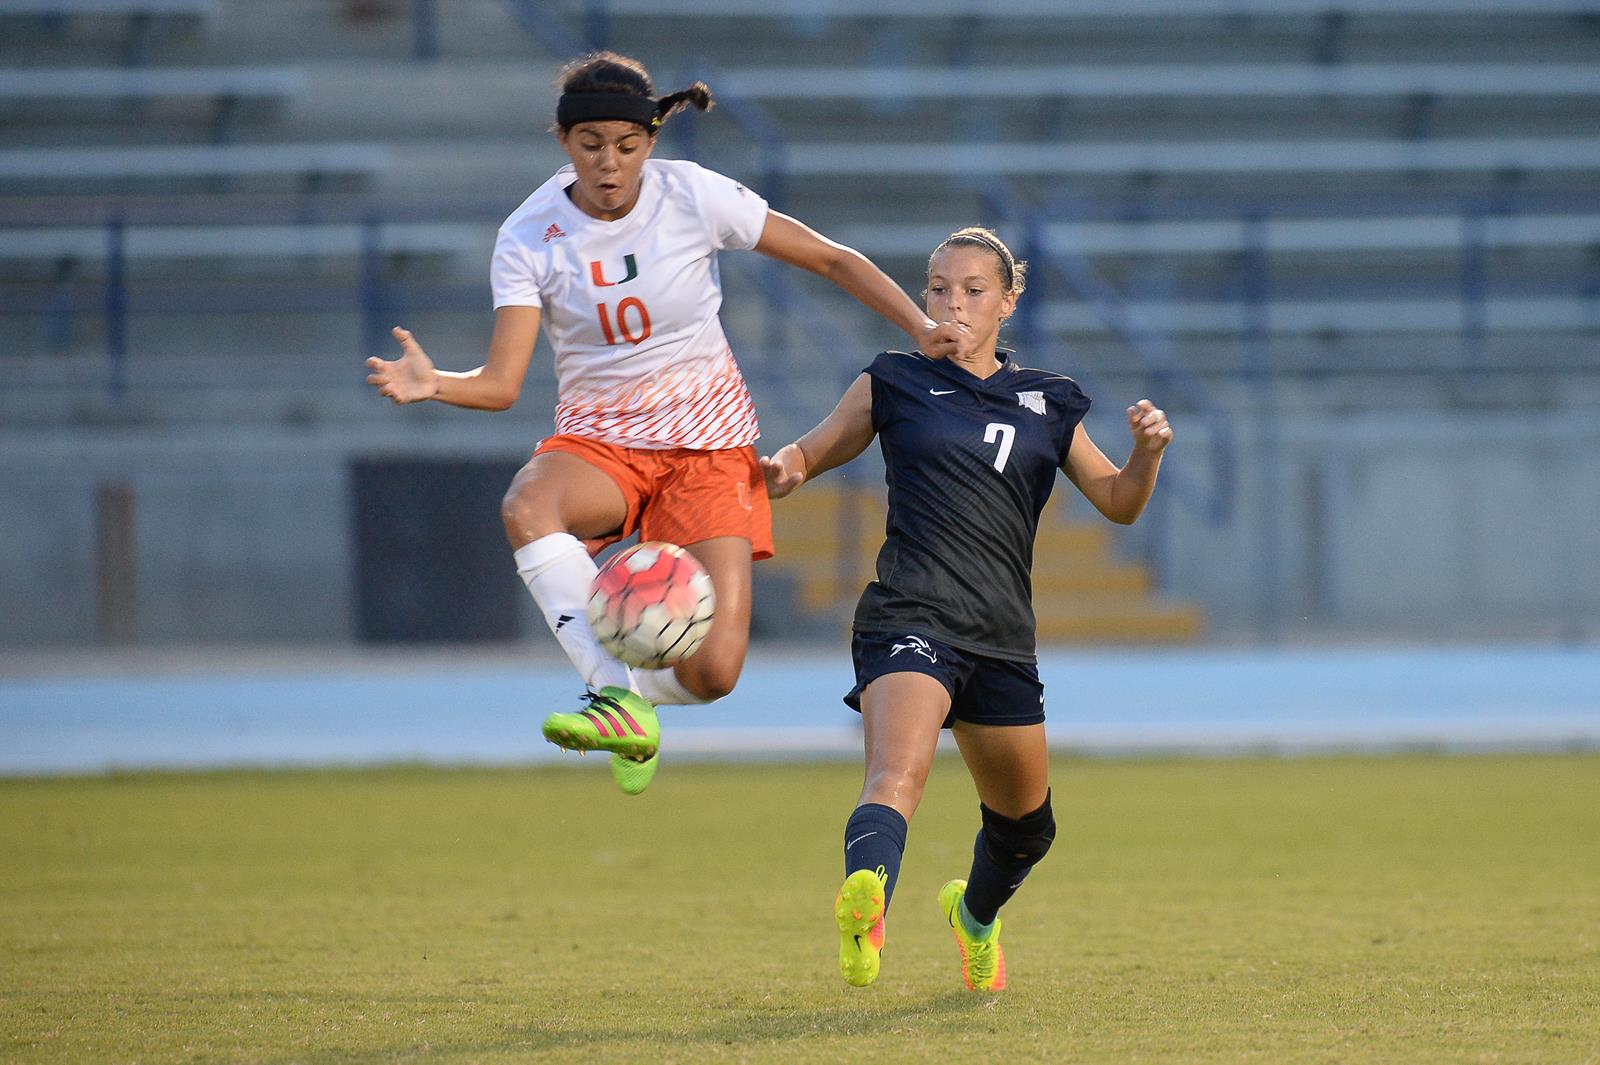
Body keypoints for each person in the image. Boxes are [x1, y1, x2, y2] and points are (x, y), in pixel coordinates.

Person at [364, 52, 973, 796]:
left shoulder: (691, 196)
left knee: (713, 672)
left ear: (650, 141)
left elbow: (829, 258)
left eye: (626, 145)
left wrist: (918, 325)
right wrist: (437, 385)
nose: (610, 163)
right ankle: (614, 697)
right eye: (591, 145)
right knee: (528, 503)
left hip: (710, 448)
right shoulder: (529, 236)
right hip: (603, 444)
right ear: (562, 142)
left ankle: (635, 705)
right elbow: (500, 385)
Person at [760, 226, 1173, 990]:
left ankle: (973, 917)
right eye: (939, 288)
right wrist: (783, 467)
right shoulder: (894, 379)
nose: (953, 302)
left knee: (1026, 829)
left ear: (1007, 301)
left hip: (1002, 636)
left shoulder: (1049, 400)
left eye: (973, 289)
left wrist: (1146, 453)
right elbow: (811, 450)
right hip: (908, 616)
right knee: (897, 772)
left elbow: (1118, 501)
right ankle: (868, 903)